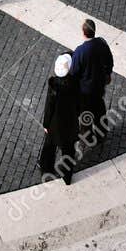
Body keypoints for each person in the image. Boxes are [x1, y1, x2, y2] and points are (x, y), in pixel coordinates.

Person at [40, 52, 81, 185]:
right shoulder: (75, 84)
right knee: (68, 151)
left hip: (54, 125)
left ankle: (46, 168)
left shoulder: (53, 87)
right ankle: (67, 177)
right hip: (70, 124)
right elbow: (79, 104)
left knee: (49, 146)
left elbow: (49, 108)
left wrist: (46, 124)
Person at [71, 19, 115, 139]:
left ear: (83, 32)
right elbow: (109, 60)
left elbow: (74, 72)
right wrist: (108, 73)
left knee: (86, 114)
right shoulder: (101, 43)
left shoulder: (80, 51)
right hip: (99, 86)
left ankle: (87, 136)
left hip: (85, 91)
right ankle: (102, 133)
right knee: (100, 109)